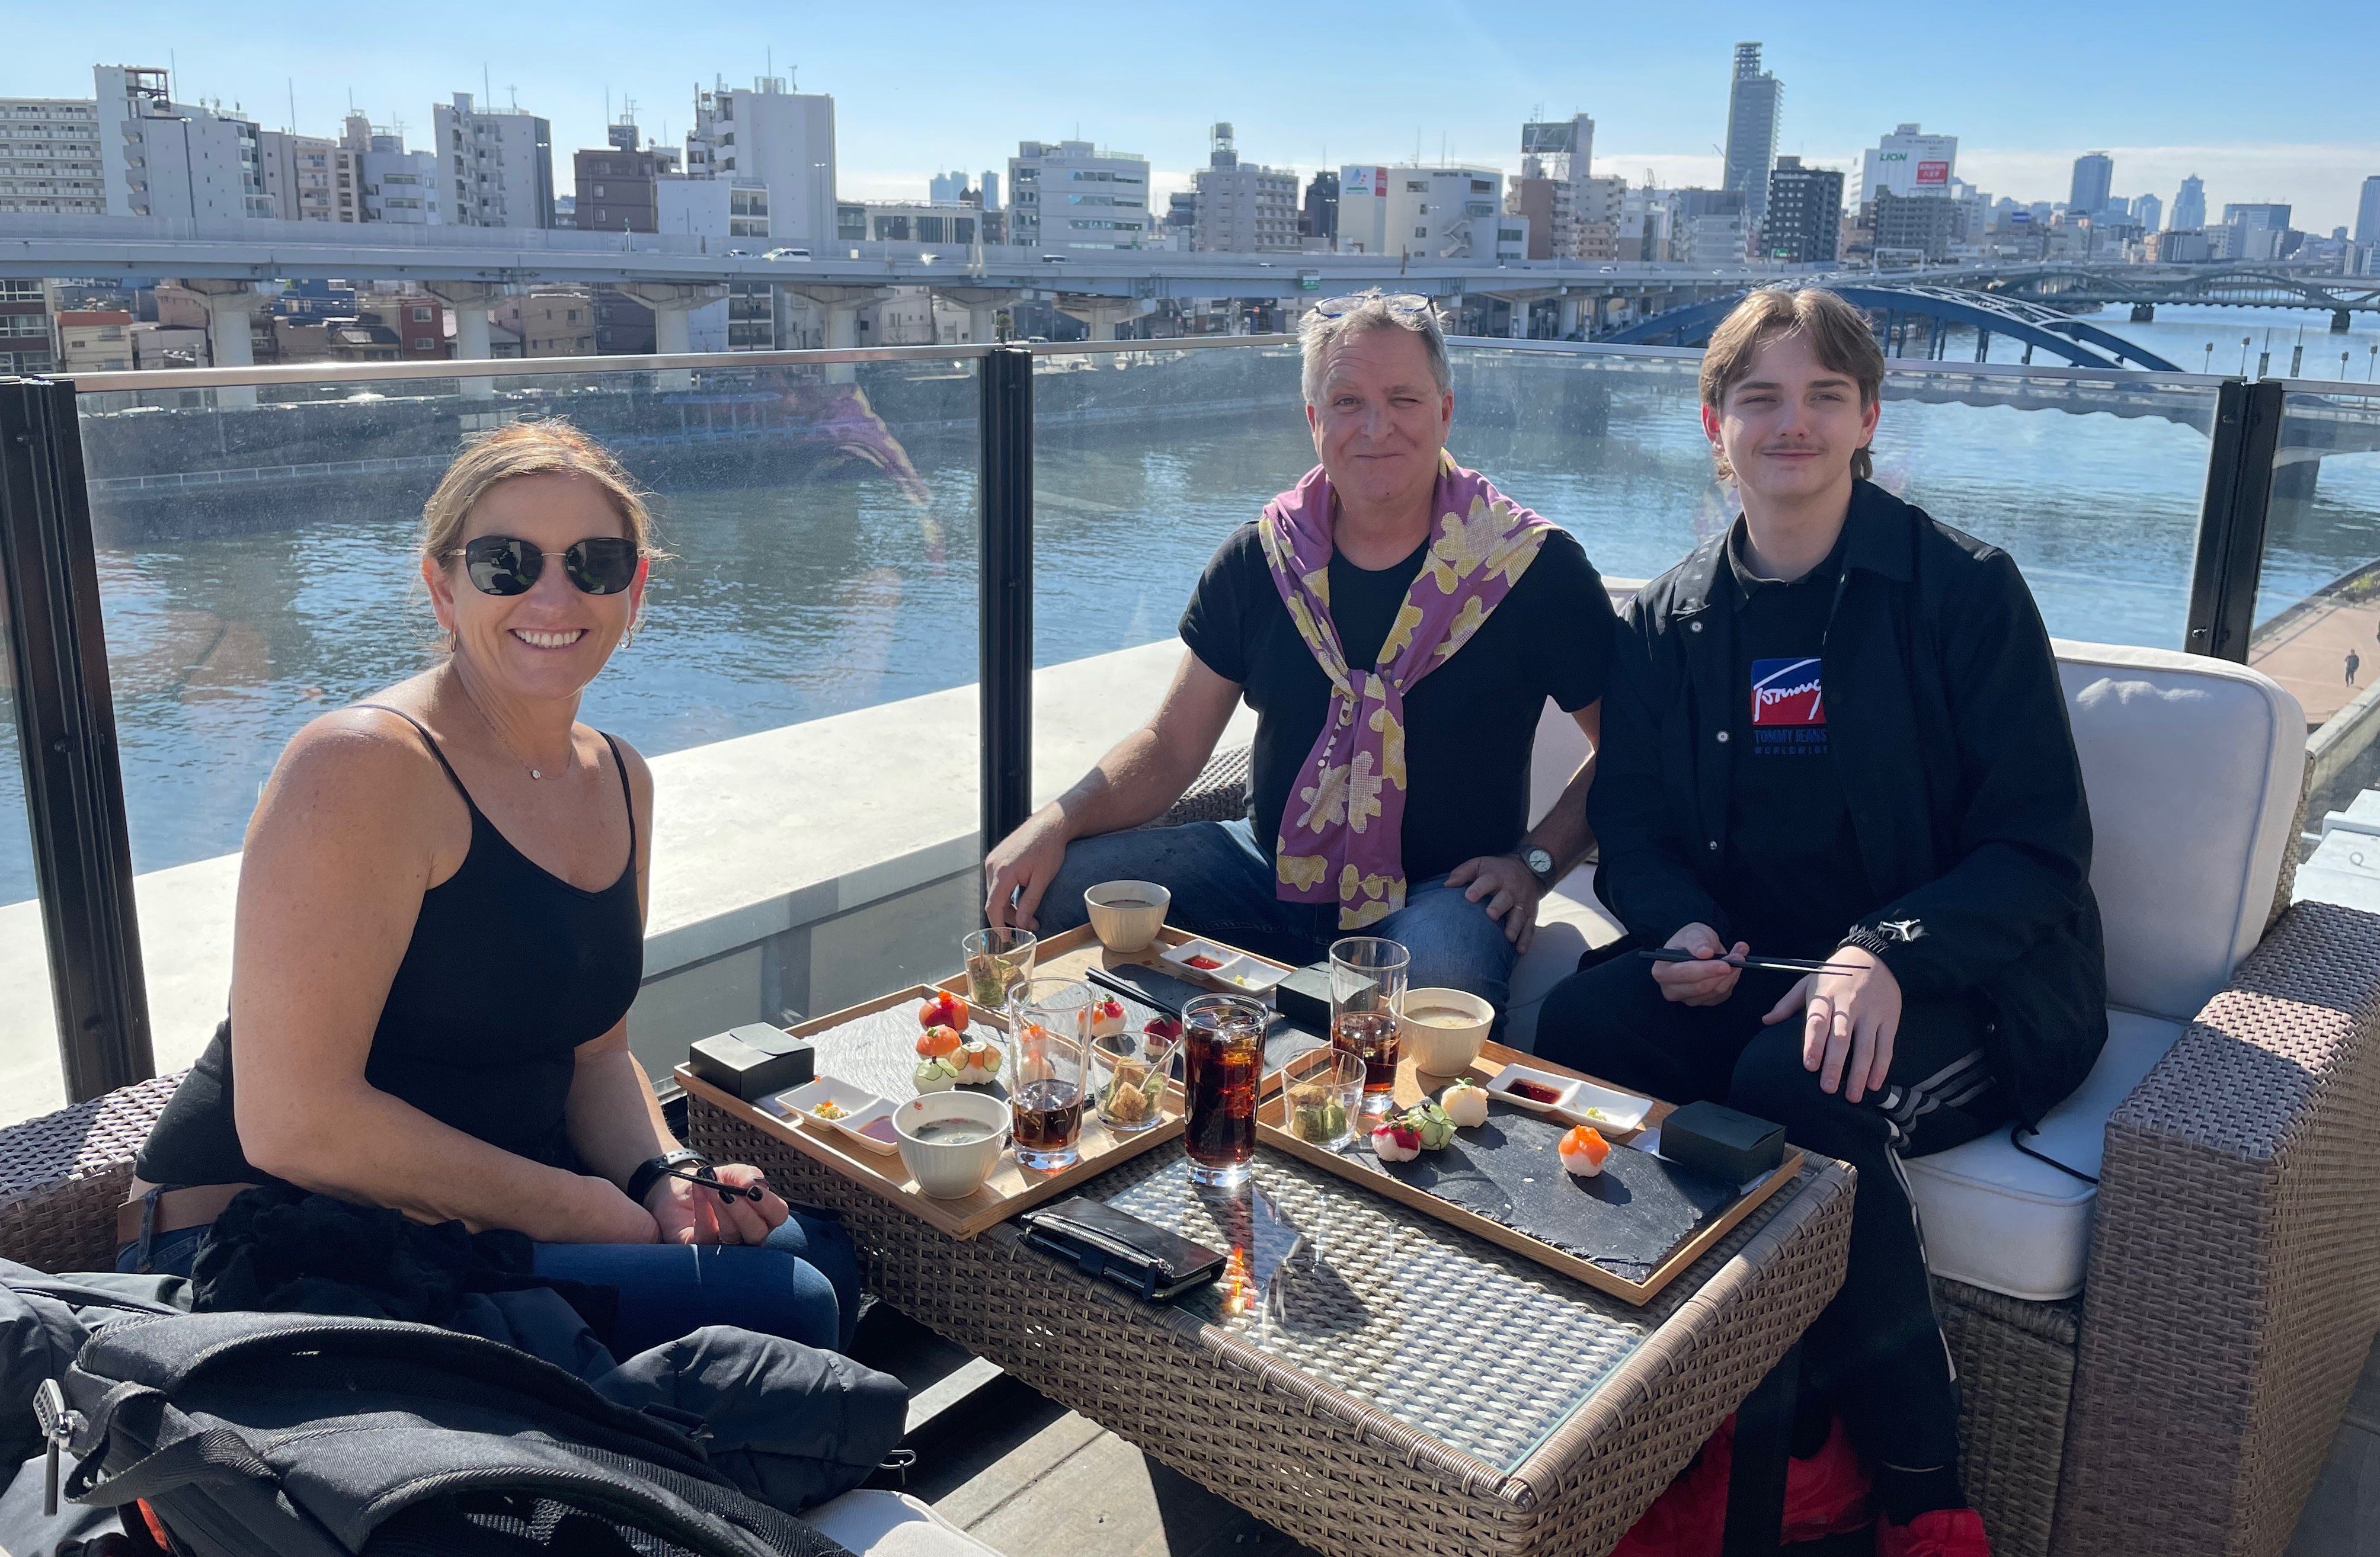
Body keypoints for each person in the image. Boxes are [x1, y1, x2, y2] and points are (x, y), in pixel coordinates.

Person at [1533, 287, 2105, 1557]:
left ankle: (1918, 1493)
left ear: (1868, 421)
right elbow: (1638, 831)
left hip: (1975, 973)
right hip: (1757, 966)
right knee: (1582, 1019)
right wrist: (1678, 928)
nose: (1791, 425)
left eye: (1823, 398)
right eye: (1761, 399)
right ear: (1714, 427)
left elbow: (2039, 851)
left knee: (1798, 1074)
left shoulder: (1959, 593)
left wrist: (1885, 951)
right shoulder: (1673, 618)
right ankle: (1664, 1421)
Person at [124, 421, 859, 1360]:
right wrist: (582, 1207)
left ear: (634, 591)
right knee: (789, 1304)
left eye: (595, 562)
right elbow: (293, 1123)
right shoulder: (362, 765)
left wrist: (660, 1174)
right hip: (270, 1236)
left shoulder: (620, 778)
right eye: (506, 562)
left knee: (817, 1256)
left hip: (478, 1207)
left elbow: (594, 1056)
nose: (554, 593)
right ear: (442, 588)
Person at [983, 290, 1617, 1019]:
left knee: (1435, 980)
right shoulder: (1262, 559)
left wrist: (1535, 864)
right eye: (1347, 402)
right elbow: (1169, 747)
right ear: (1315, 422)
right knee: (1064, 887)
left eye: (1403, 399)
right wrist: (1053, 823)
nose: (1376, 427)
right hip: (1263, 871)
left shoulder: (1531, 567)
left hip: (1443, 893)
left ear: (1445, 412)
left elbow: (1627, 745)